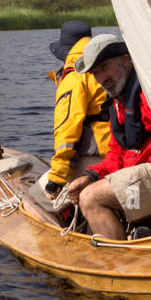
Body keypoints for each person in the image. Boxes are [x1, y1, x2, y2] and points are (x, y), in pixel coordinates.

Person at [65, 34, 151, 240]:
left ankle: (118, 263)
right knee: (94, 188)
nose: (101, 79)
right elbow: (116, 154)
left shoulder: (150, 93)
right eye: (95, 73)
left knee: (90, 198)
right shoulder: (119, 101)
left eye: (105, 67)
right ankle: (141, 231)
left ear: (125, 60)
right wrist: (90, 176)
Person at [39, 21, 110, 201]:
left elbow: (67, 134)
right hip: (121, 155)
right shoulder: (110, 67)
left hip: (97, 159)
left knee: (34, 201)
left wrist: (56, 180)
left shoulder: (73, 79)